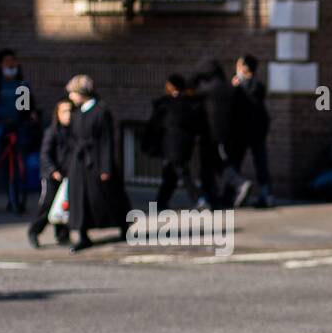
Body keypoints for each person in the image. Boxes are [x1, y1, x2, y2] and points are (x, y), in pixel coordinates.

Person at [63, 75, 132, 253]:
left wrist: (106, 167)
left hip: (96, 162)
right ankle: (83, 234)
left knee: (104, 197)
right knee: (80, 200)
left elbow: (107, 141)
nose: (70, 96)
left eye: (73, 93)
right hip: (80, 163)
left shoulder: (101, 112)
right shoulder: (77, 112)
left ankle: (123, 225)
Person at [190, 57, 251, 208]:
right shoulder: (229, 88)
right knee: (218, 164)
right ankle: (216, 195)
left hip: (209, 135)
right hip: (228, 134)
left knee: (210, 166)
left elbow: (189, 90)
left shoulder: (206, 89)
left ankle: (210, 196)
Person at [0, 48, 36, 211]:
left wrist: (30, 114)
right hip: (0, 123)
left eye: (13, 60)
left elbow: (25, 106)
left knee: (20, 156)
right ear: (1, 64)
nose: (11, 64)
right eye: (7, 61)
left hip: (16, 125)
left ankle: (17, 195)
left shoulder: (20, 83)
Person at [145, 74, 204, 210]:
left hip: (172, 145)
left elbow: (157, 124)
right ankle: (160, 203)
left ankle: (198, 199)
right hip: (182, 144)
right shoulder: (189, 103)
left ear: (172, 86)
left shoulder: (168, 104)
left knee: (181, 172)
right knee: (170, 175)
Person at [27, 98, 72, 248]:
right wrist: (53, 171)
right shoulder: (52, 132)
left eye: (70, 111)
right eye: (64, 111)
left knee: (64, 206)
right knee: (48, 204)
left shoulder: (74, 131)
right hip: (51, 176)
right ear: (57, 114)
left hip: (67, 175)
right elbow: (45, 155)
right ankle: (34, 231)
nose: (68, 115)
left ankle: (62, 235)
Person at [229, 55, 272, 207]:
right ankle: (265, 194)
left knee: (234, 161)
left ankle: (234, 193)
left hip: (242, 131)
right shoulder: (259, 86)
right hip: (257, 131)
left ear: (245, 68)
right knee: (260, 162)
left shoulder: (243, 87)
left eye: (239, 65)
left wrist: (236, 86)